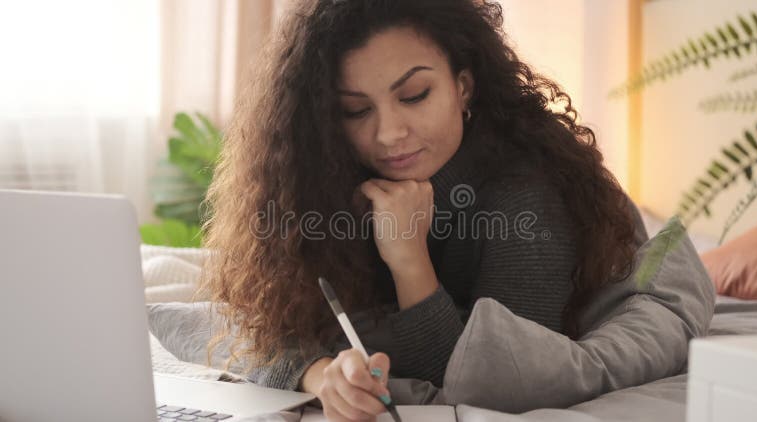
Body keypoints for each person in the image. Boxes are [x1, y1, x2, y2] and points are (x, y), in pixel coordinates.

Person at [198, 1, 640, 421]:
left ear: (462, 87)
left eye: (414, 95)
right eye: (356, 110)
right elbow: (264, 332)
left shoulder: (526, 197)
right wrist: (323, 376)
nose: (388, 134)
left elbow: (497, 378)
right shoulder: (325, 182)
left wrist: (408, 256)